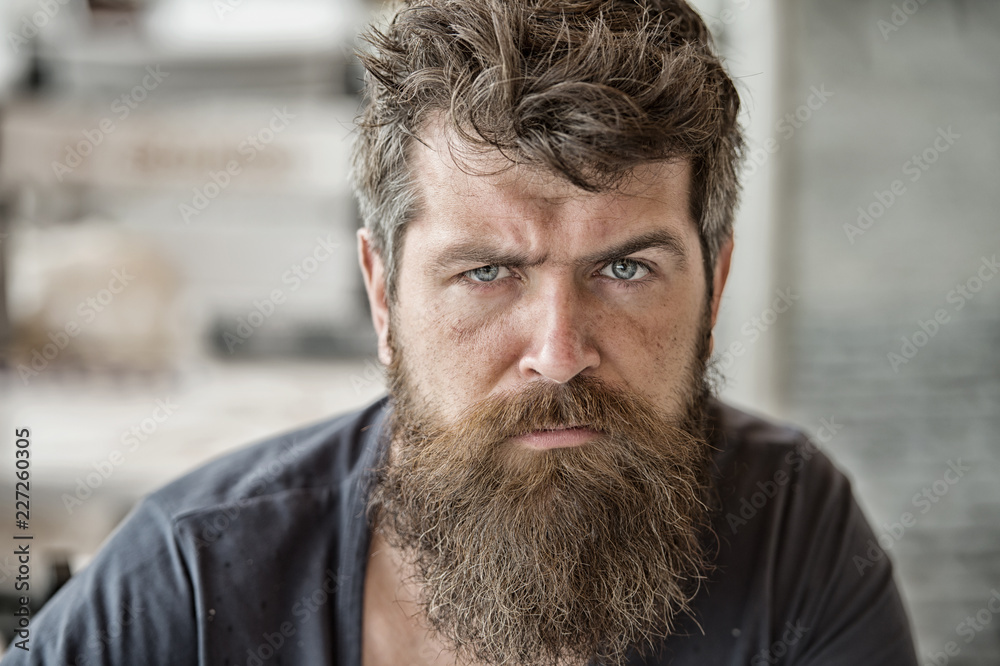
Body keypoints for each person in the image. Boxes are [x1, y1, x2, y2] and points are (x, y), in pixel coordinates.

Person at [3, 1, 919, 664]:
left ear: (714, 286)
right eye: (487, 273)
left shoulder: (791, 534)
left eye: (626, 269)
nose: (559, 350)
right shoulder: (194, 592)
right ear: (382, 295)